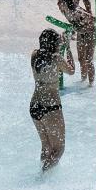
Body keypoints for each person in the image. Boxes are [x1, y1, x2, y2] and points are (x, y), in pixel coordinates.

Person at [29, 28, 74, 172]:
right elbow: (72, 70)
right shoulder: (56, 59)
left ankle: (43, 172)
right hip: (51, 107)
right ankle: (43, 177)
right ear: (54, 44)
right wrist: (68, 47)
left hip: (35, 105)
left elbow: (47, 57)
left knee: (46, 146)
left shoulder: (34, 55)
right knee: (58, 149)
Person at [56, 0, 96, 86]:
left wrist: (75, 28)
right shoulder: (65, 11)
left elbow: (93, 20)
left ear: (65, 2)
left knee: (88, 59)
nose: (57, 4)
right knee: (81, 58)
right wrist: (72, 31)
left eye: (59, 1)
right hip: (81, 33)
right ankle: (83, 79)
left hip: (91, 33)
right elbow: (75, 24)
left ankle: (91, 84)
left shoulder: (76, 12)